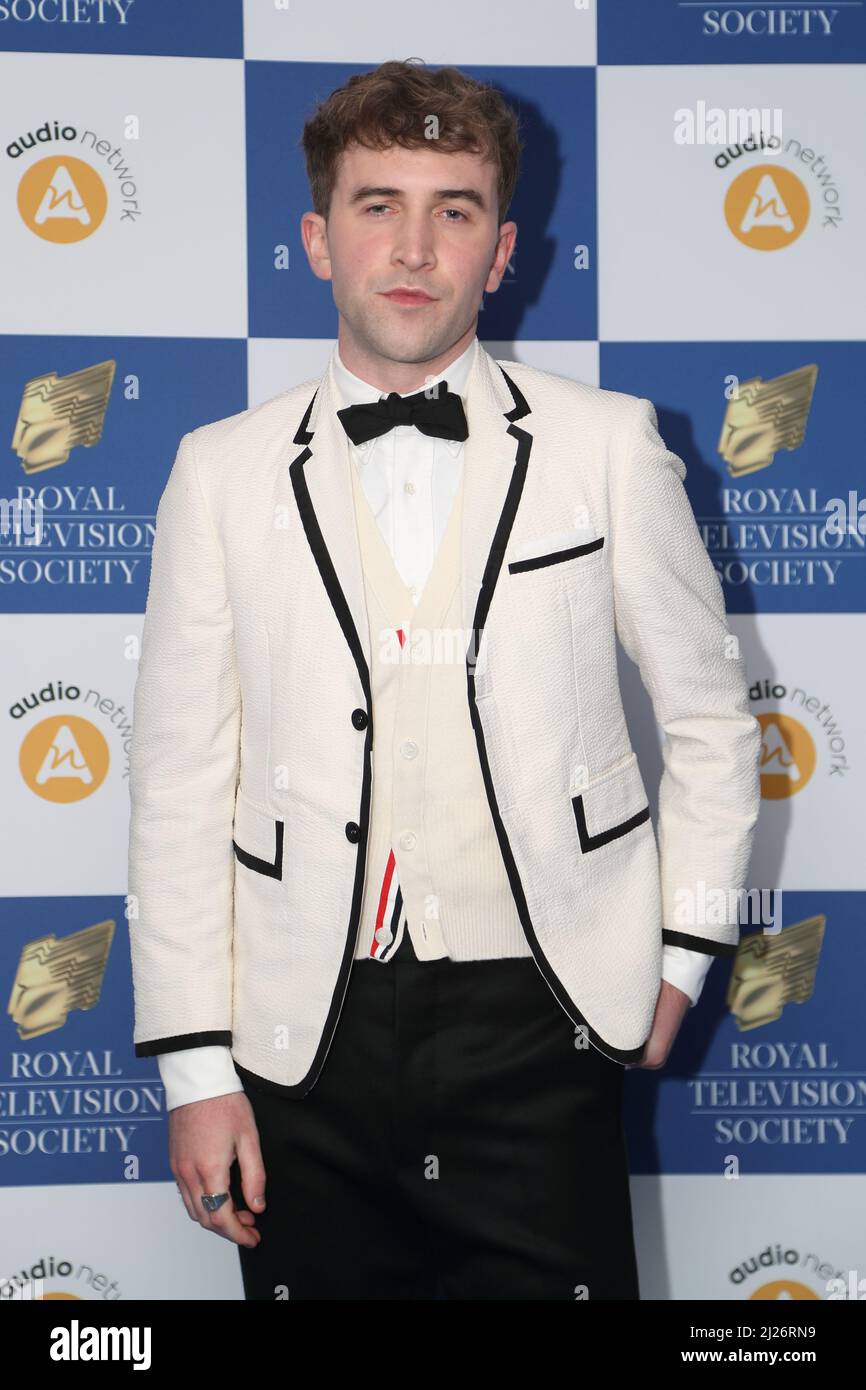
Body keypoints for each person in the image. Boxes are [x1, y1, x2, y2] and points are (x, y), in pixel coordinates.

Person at [127, 57, 762, 1300]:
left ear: (503, 247)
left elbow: (707, 722)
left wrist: (680, 959)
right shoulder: (218, 470)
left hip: (546, 1012)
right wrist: (197, 1072)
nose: (413, 246)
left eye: (453, 209)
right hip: (303, 1026)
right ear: (317, 238)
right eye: (377, 205)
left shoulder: (607, 445)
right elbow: (177, 782)